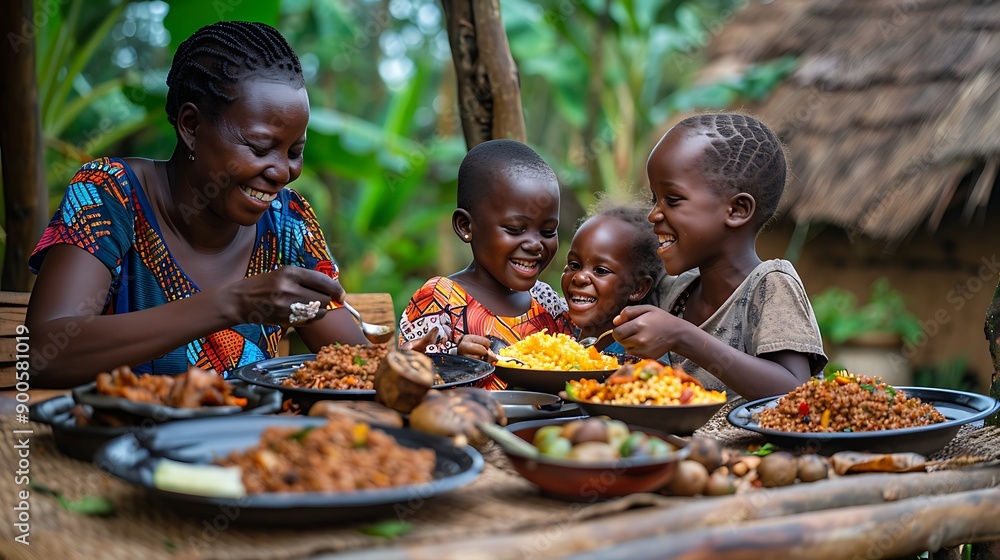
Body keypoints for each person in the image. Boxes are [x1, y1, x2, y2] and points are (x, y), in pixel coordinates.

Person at [26, 21, 369, 389]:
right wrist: (233, 304)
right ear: (190, 126)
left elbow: (359, 364)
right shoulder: (110, 194)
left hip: (254, 429)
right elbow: (44, 354)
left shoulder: (288, 223)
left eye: (294, 152)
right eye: (259, 148)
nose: (282, 172)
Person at [611, 113, 827, 401]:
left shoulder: (770, 285)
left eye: (672, 200)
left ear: (737, 210)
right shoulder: (676, 291)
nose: (654, 214)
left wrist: (682, 336)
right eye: (654, 199)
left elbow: (795, 391)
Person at [397, 139, 573, 388]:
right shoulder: (440, 299)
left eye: (547, 232)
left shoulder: (545, 301)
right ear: (466, 226)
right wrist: (455, 357)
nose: (535, 244)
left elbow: (580, 361)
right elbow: (404, 372)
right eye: (515, 229)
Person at [561, 202, 666, 356]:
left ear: (638, 288)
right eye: (574, 265)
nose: (580, 277)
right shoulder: (556, 329)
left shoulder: (639, 356)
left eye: (600, 271)